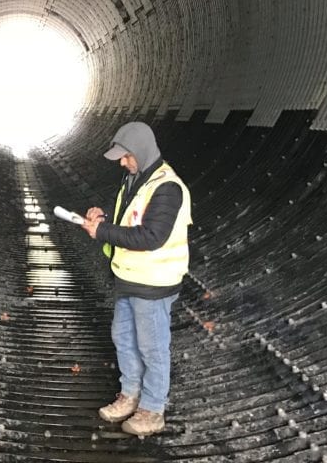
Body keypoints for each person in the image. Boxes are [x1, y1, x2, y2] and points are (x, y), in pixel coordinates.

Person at [81, 121, 192, 437]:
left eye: (126, 156)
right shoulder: (135, 180)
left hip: (154, 284)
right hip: (129, 278)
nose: (122, 162)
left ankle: (153, 408)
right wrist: (102, 219)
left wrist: (102, 231)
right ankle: (130, 395)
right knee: (123, 337)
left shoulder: (167, 188)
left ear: (141, 152)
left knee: (152, 347)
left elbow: (152, 235)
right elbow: (128, 221)